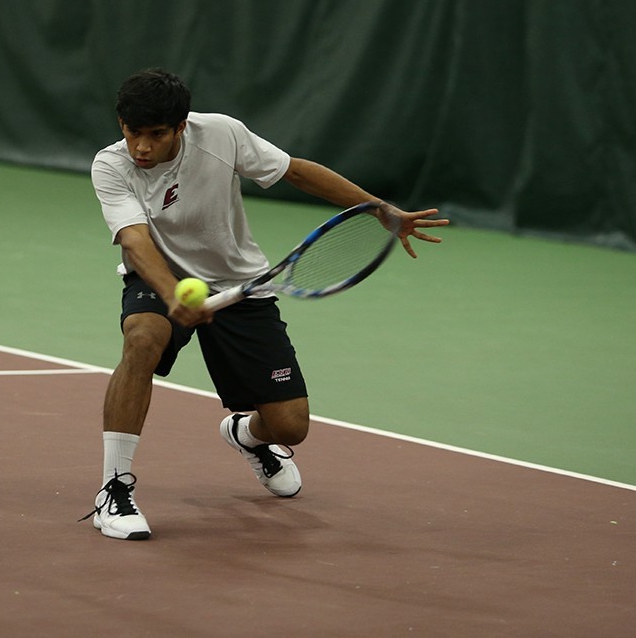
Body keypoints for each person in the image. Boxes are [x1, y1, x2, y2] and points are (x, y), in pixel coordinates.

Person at [83, 68, 448, 540]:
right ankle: (113, 489)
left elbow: (293, 170)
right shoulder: (111, 166)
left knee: (291, 427)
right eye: (133, 133)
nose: (142, 147)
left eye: (156, 135)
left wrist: (376, 207)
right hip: (161, 277)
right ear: (121, 124)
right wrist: (172, 294)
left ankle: (246, 435)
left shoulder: (221, 134)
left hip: (239, 280)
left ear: (181, 126)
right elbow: (135, 240)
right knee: (142, 338)